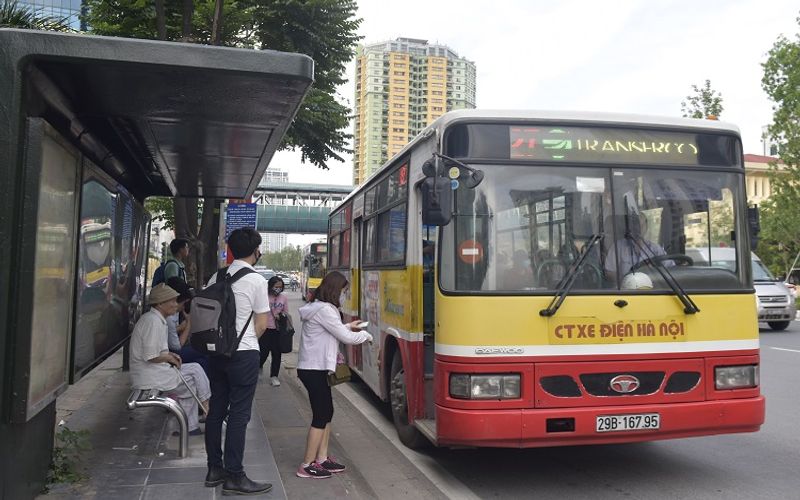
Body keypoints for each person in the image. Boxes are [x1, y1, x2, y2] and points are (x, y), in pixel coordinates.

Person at [203, 228, 272, 496]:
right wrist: (241, 345)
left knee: (216, 409)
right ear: (256, 251)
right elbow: (262, 323)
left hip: (215, 353)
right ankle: (235, 476)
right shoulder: (256, 280)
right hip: (242, 354)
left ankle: (214, 469)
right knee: (239, 415)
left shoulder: (216, 276)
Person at [295, 271, 373, 479]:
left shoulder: (318, 308)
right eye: (343, 291)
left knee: (326, 412)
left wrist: (348, 325)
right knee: (321, 415)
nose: (344, 295)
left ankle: (321, 459)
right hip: (314, 369)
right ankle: (307, 465)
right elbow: (346, 338)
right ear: (335, 289)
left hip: (314, 368)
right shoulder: (326, 310)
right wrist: (366, 335)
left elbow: (332, 329)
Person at [129, 283, 210, 436]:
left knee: (192, 381)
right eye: (172, 301)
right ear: (160, 304)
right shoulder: (153, 321)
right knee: (195, 370)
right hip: (149, 375)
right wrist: (170, 357)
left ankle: (191, 426)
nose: (175, 304)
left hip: (153, 371)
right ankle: (207, 409)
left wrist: (171, 356)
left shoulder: (156, 319)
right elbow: (151, 355)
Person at [604, 214, 671, 281]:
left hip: (653, 288)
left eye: (642, 225)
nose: (639, 228)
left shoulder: (655, 249)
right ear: (631, 227)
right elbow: (608, 272)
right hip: (626, 289)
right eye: (637, 225)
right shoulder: (618, 247)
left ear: (646, 227)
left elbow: (671, 268)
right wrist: (625, 280)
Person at [165, 277, 208, 373]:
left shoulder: (170, 313)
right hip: (170, 352)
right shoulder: (169, 317)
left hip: (169, 349)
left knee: (201, 362)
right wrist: (188, 323)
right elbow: (177, 346)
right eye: (185, 303)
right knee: (205, 352)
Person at [259, 276, 288, 386]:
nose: (278, 289)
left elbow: (286, 313)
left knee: (277, 354)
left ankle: (274, 376)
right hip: (265, 328)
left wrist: (281, 316)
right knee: (263, 352)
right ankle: (259, 366)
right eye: (276, 286)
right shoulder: (264, 297)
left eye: (280, 287)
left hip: (277, 330)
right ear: (271, 286)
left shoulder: (283, 298)